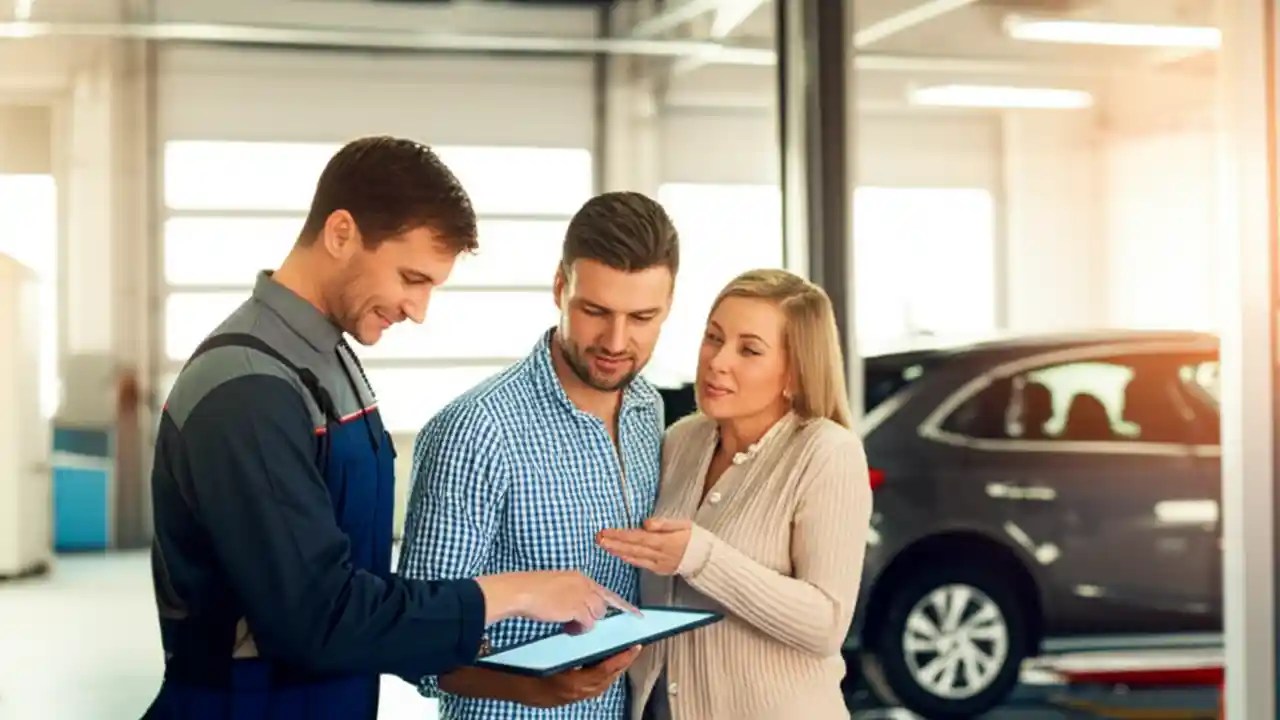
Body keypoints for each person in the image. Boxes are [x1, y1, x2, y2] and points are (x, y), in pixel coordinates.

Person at [144, 136, 636, 720]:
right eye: (411, 277)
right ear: (341, 233)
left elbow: (367, 595)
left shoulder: (329, 361)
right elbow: (319, 617)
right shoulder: (248, 388)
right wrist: (517, 591)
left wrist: (523, 683)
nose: (418, 308)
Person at [399, 191, 680, 719]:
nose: (616, 341)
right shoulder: (476, 429)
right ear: (559, 287)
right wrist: (537, 689)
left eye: (642, 317)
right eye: (595, 311)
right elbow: (418, 640)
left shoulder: (649, 410)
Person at [597, 268, 874, 720]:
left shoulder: (828, 453)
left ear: (795, 372)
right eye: (713, 337)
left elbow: (826, 624)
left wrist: (702, 557)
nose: (717, 360)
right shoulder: (682, 440)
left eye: (749, 350)